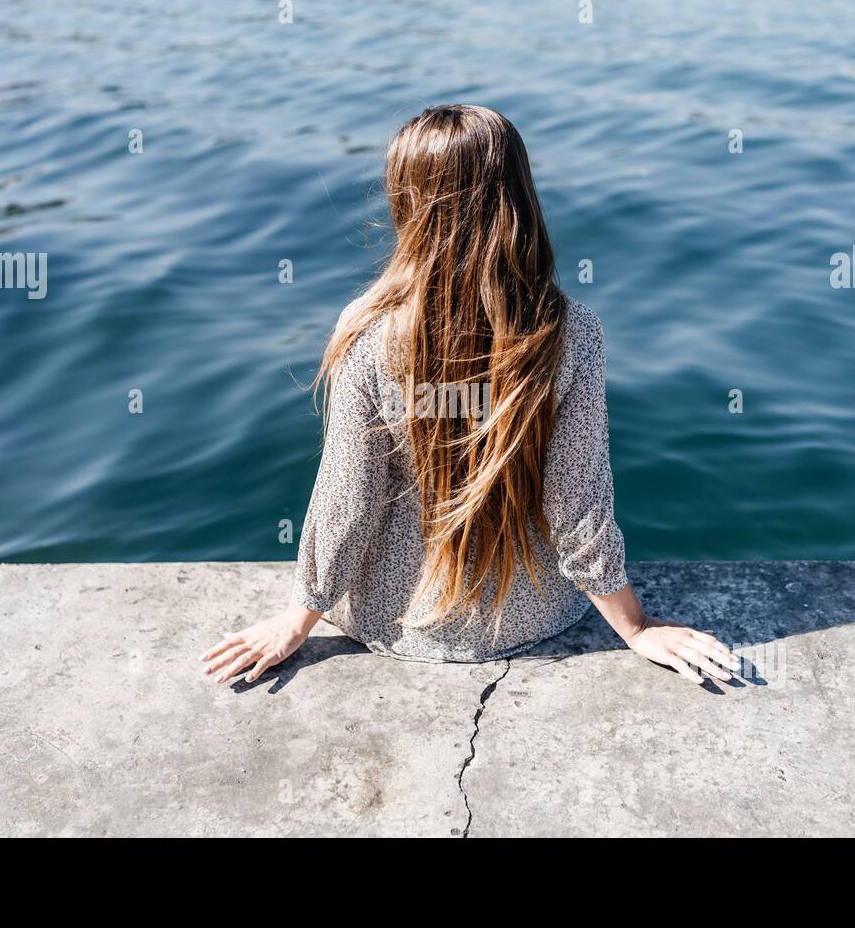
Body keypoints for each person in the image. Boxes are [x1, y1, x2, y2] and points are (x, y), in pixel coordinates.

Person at [203, 104, 738, 687]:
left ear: (409, 202)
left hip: (393, 615)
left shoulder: (370, 333)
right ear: (519, 196)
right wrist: (633, 628)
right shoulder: (572, 333)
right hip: (532, 615)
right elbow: (576, 502)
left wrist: (296, 619)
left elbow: (349, 501)